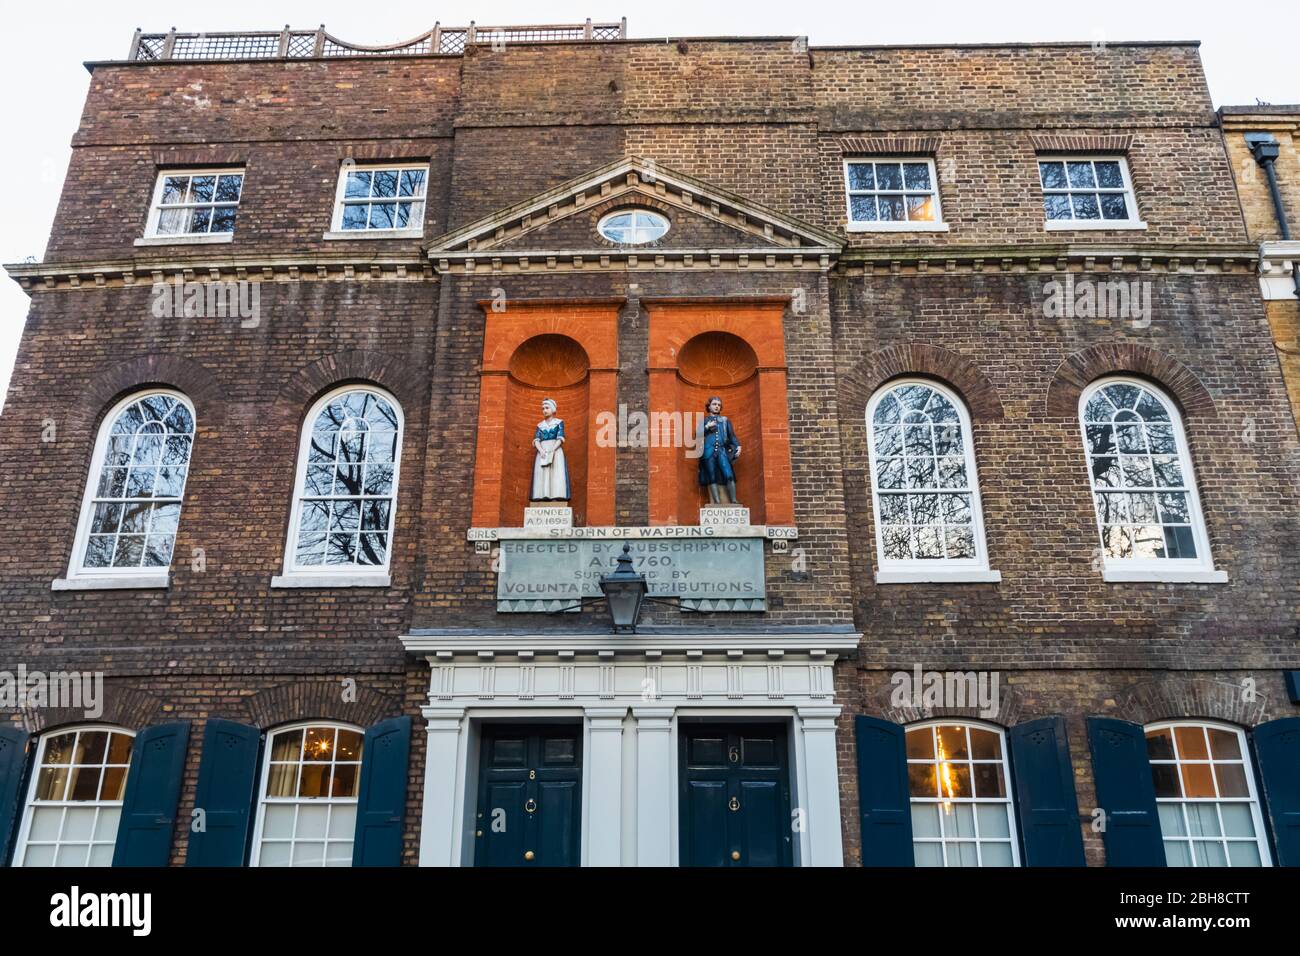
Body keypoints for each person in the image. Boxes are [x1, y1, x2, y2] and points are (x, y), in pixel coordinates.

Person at [697, 395, 741, 504]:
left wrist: (738, 446)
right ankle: (716, 502)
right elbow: (697, 434)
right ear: (709, 406)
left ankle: (734, 500)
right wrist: (707, 427)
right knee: (711, 476)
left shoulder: (725, 420)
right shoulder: (705, 420)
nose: (717, 406)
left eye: (718, 405)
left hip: (722, 451)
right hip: (708, 452)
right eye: (714, 404)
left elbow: (732, 436)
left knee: (729, 475)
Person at [530, 398, 570, 502]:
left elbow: (560, 437)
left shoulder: (559, 422)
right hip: (542, 451)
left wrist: (553, 449)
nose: (544, 410)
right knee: (542, 473)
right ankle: (542, 495)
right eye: (543, 408)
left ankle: (556, 495)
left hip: (555, 450)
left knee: (556, 472)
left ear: (552, 409)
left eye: (547, 408)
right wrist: (541, 450)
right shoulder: (540, 425)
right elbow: (537, 439)